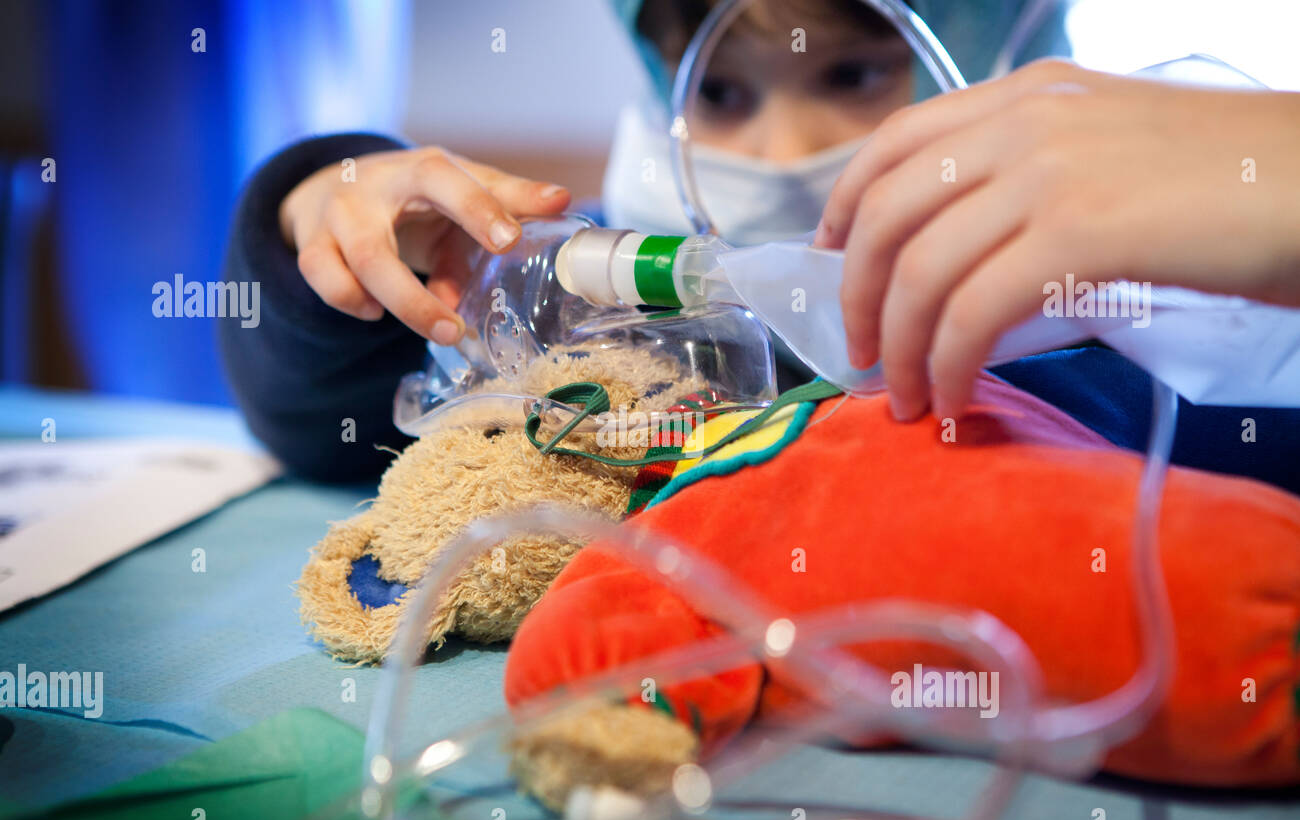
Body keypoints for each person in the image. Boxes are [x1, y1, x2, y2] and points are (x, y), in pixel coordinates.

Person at [220, 0, 1299, 492]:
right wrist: (329, 229)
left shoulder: (1147, 312)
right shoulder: (629, 300)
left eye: (852, 74)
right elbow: (339, 434)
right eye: (723, 93)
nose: (781, 154)